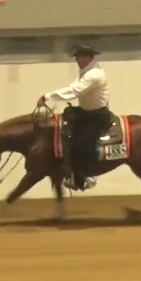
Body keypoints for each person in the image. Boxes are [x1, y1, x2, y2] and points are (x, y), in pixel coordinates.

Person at [37, 44, 112, 190]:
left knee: (81, 142)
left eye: (79, 57)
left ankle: (90, 175)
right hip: (87, 112)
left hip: (97, 116)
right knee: (66, 124)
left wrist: (47, 96)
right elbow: (75, 86)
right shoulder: (86, 71)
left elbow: (75, 91)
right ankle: (69, 170)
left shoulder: (94, 75)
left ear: (87, 57)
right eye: (77, 57)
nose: (77, 60)